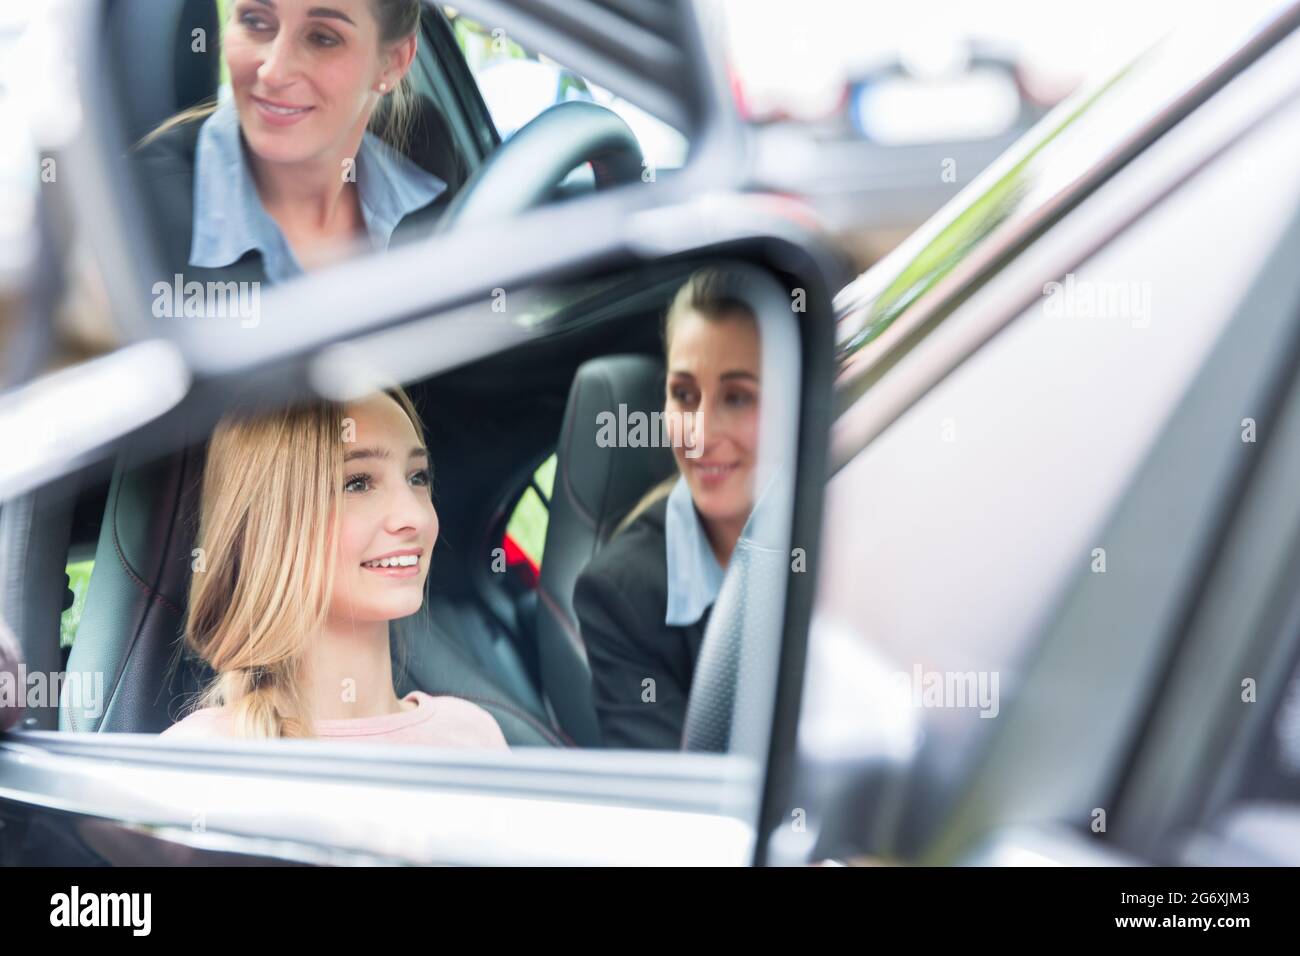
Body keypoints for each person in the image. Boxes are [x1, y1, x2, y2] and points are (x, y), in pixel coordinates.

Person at [161, 386, 507, 747]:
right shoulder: (198, 754)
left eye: (417, 477)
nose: (416, 516)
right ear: (270, 525)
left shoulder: (474, 733)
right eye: (357, 483)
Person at [573, 270, 761, 749]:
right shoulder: (620, 597)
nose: (699, 433)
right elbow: (690, 804)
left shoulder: (855, 521)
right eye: (684, 395)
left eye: (737, 397)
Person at [135, 0, 447, 286]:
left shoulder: (436, 173)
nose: (273, 72)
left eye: (322, 37)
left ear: (393, 62)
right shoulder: (139, 208)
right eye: (255, 21)